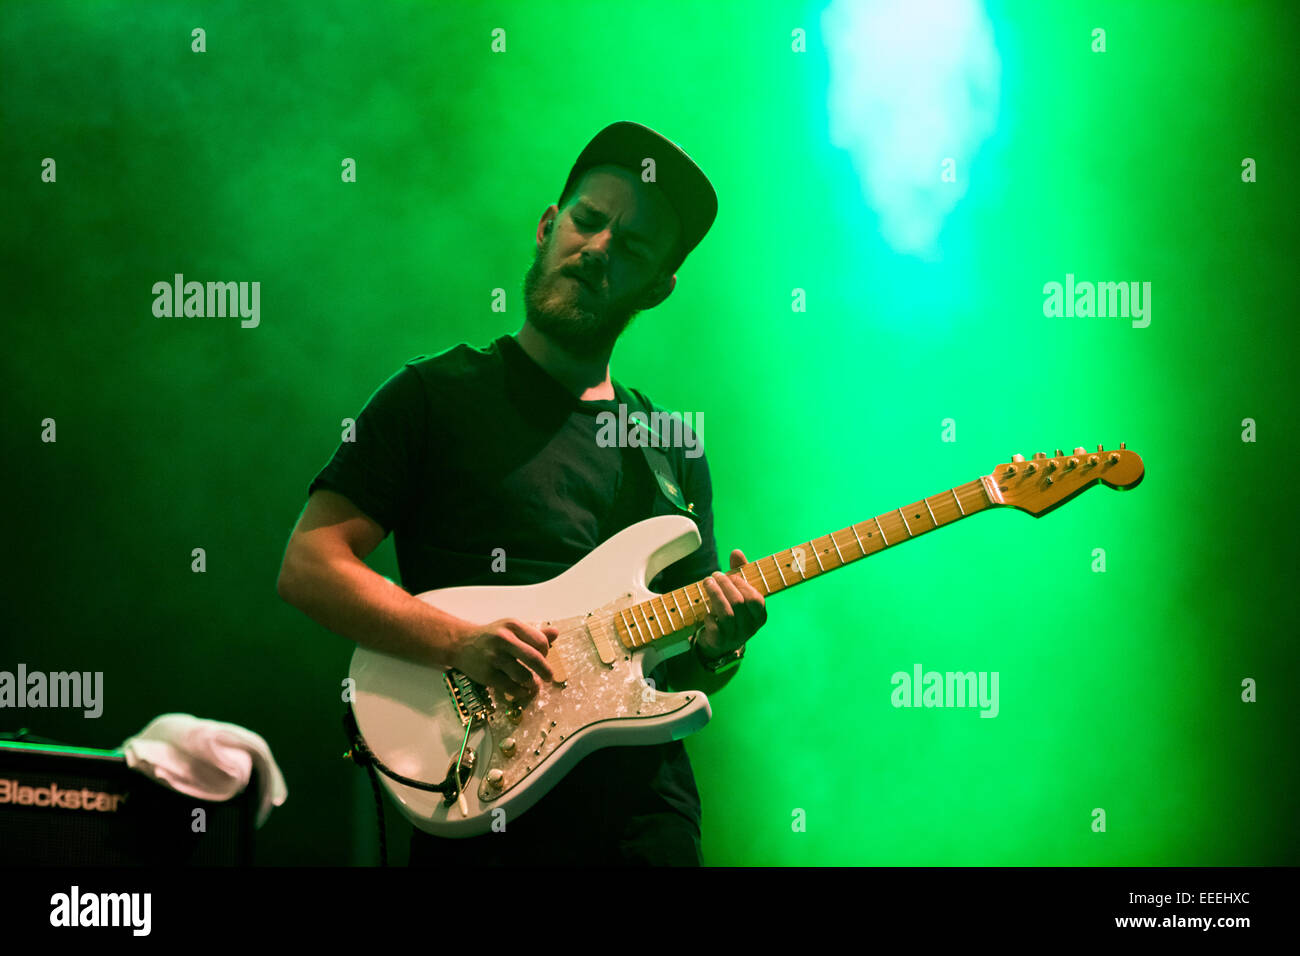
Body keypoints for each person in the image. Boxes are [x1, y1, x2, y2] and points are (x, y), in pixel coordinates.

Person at [276, 121, 768, 866]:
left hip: (644, 822)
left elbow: (675, 666)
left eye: (632, 247)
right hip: (482, 798)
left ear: (660, 287)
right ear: (548, 225)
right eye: (588, 220)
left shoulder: (673, 447)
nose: (599, 249)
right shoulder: (434, 397)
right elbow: (310, 566)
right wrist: (459, 643)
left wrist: (719, 646)